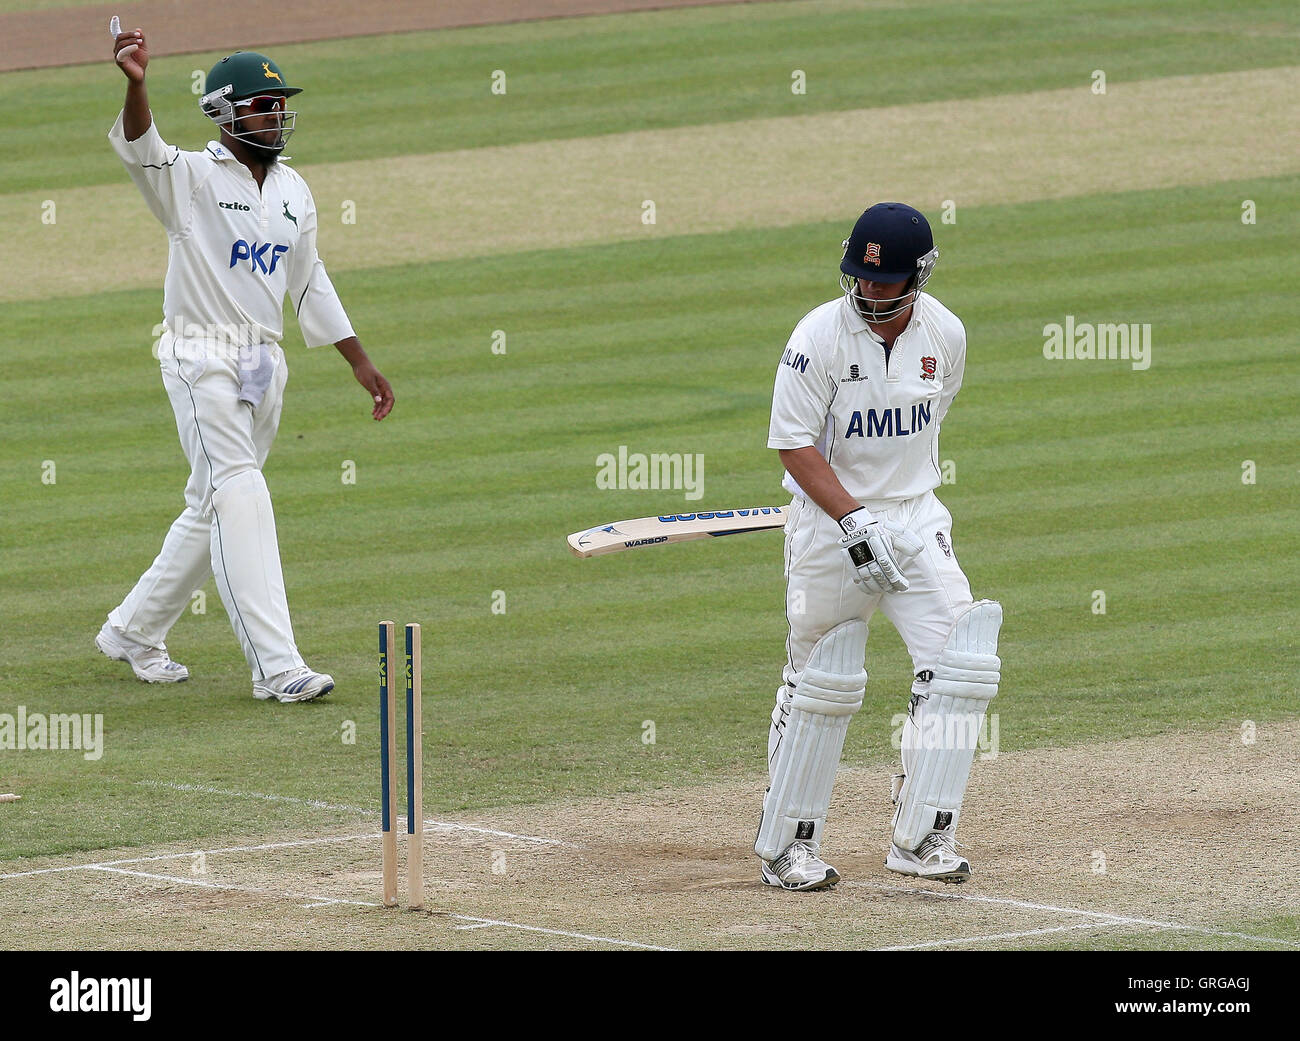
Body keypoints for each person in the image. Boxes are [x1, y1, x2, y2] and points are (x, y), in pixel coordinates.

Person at [96, 28, 394, 703]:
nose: (276, 115)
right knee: (241, 492)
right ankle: (277, 666)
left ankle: (133, 630)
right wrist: (137, 85)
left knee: (212, 506)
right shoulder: (191, 180)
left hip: (265, 362)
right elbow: (142, 146)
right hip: (202, 355)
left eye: (279, 104)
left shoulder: (294, 191)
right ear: (224, 114)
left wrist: (360, 362)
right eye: (262, 105)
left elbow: (309, 281)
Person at [755, 203, 1003, 890]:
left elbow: (930, 419)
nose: (870, 293)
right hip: (831, 523)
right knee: (823, 681)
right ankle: (787, 845)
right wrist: (854, 519)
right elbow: (793, 444)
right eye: (861, 280)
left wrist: (892, 514)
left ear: (919, 276)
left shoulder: (944, 334)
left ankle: (922, 833)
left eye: (886, 282)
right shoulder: (817, 338)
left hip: (916, 517)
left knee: (963, 660)